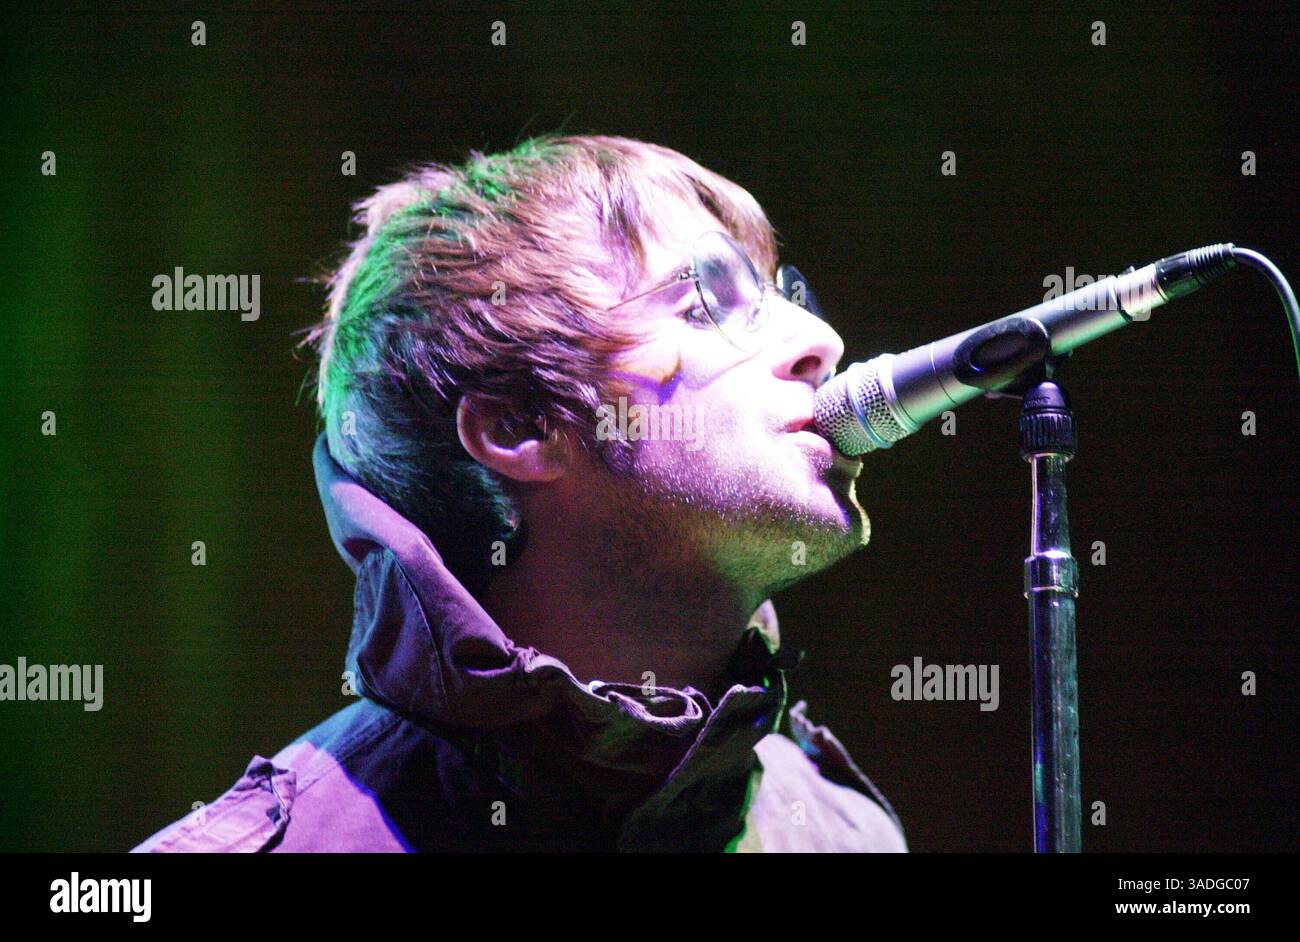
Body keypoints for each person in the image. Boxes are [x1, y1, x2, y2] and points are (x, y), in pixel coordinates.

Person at [132, 134, 907, 852]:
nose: (822, 340)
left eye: (782, 296)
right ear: (520, 426)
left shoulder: (850, 835)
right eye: (704, 305)